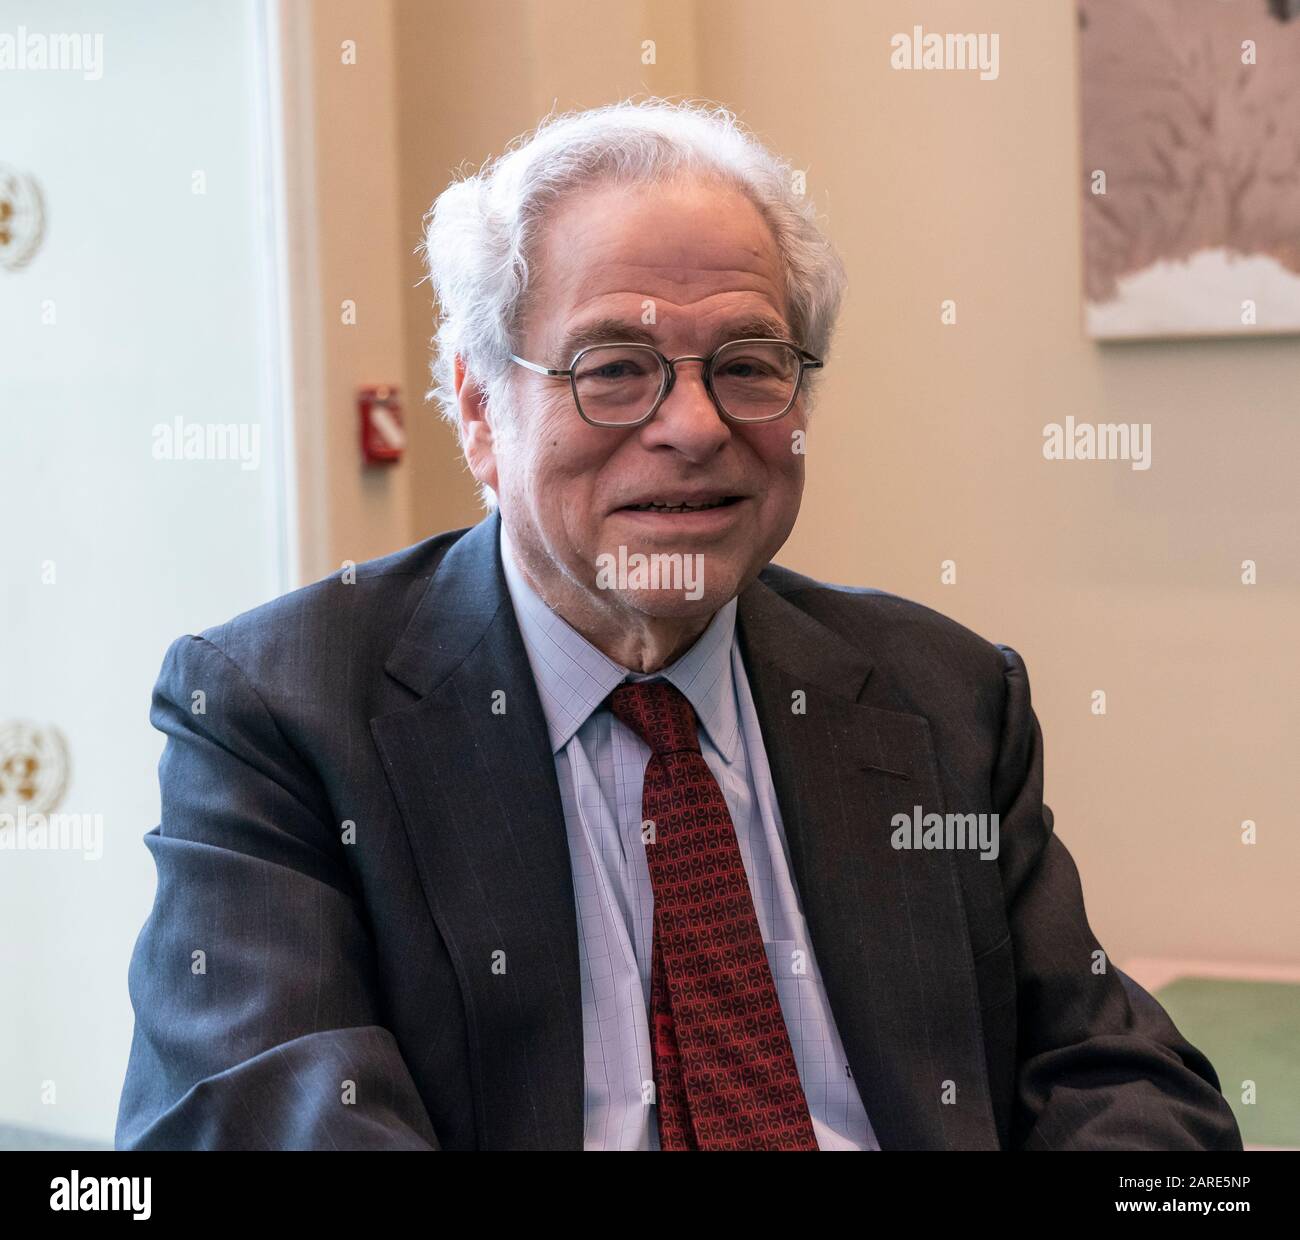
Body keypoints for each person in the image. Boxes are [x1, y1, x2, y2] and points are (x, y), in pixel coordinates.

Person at [116, 99, 1242, 1151]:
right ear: (475, 404)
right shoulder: (281, 710)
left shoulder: (942, 696)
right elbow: (273, 1123)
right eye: (615, 368)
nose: (694, 426)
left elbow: (1123, 1083)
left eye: (748, 366)